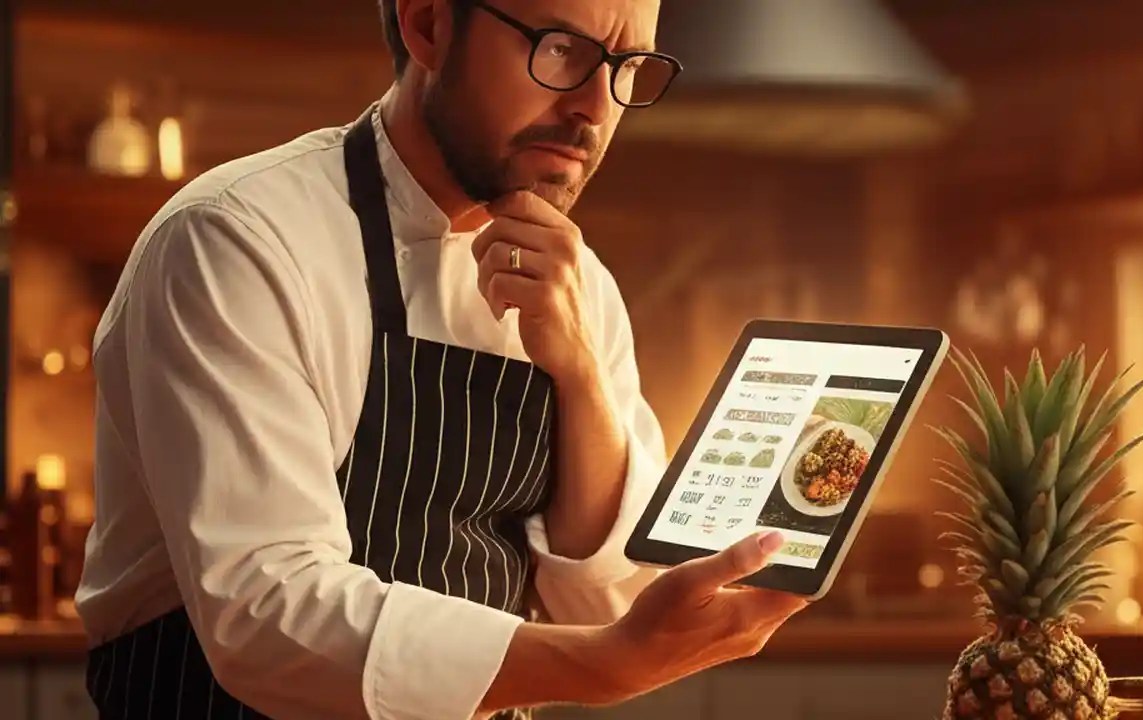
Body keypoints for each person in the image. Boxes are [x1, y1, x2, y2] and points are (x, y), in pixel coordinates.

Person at [74, 0, 809, 717]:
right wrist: (608, 664)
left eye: (627, 66)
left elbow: (608, 602)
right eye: (561, 49)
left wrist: (580, 375)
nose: (594, 106)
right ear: (426, 24)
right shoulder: (239, 240)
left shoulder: (580, 284)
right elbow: (267, 617)